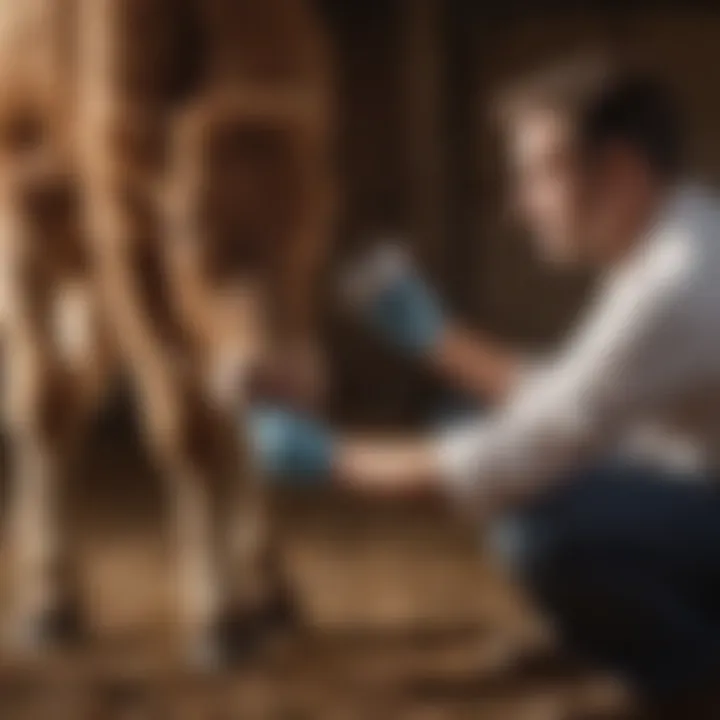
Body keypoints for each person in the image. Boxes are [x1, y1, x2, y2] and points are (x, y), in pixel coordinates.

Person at [250, 58, 720, 715]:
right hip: (697, 482)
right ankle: (626, 638)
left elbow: (514, 460)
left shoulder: (678, 284)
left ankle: (687, 681)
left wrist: (327, 457)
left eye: (536, 175)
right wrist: (434, 339)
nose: (518, 205)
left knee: (554, 528)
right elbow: (578, 399)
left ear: (617, 172)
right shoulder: (676, 239)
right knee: (471, 419)